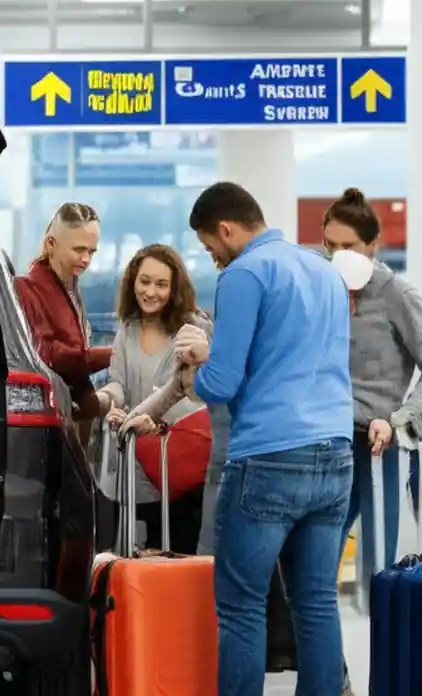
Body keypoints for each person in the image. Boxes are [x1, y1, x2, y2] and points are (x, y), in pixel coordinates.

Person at [131, 182, 353, 696]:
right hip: (335, 453)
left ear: (228, 229)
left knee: (240, 605)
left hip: (270, 459)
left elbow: (221, 386)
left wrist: (197, 361)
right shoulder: (324, 270)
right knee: (316, 602)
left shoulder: (244, 274)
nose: (213, 258)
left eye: (211, 246)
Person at [322, 187, 422, 694]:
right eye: (330, 245)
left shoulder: (398, 295)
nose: (338, 256)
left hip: (378, 450)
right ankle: (335, 680)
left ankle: (390, 679)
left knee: (382, 579)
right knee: (314, 577)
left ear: (373, 246)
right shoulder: (322, 288)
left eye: (350, 246)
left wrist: (401, 418)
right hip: (326, 448)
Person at [95, 244, 210, 553]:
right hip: (136, 465)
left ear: (174, 289)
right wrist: (105, 401)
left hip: (180, 466)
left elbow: (201, 393)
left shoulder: (194, 329)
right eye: (145, 281)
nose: (151, 291)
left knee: (179, 554)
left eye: (161, 284)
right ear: (133, 281)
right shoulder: (127, 330)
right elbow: (118, 384)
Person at [14, 203, 112, 436]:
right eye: (79, 250)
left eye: (92, 251)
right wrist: (110, 354)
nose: (86, 259)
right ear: (51, 244)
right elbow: (46, 354)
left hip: (72, 415)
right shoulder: (26, 289)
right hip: (50, 421)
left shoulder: (70, 290)